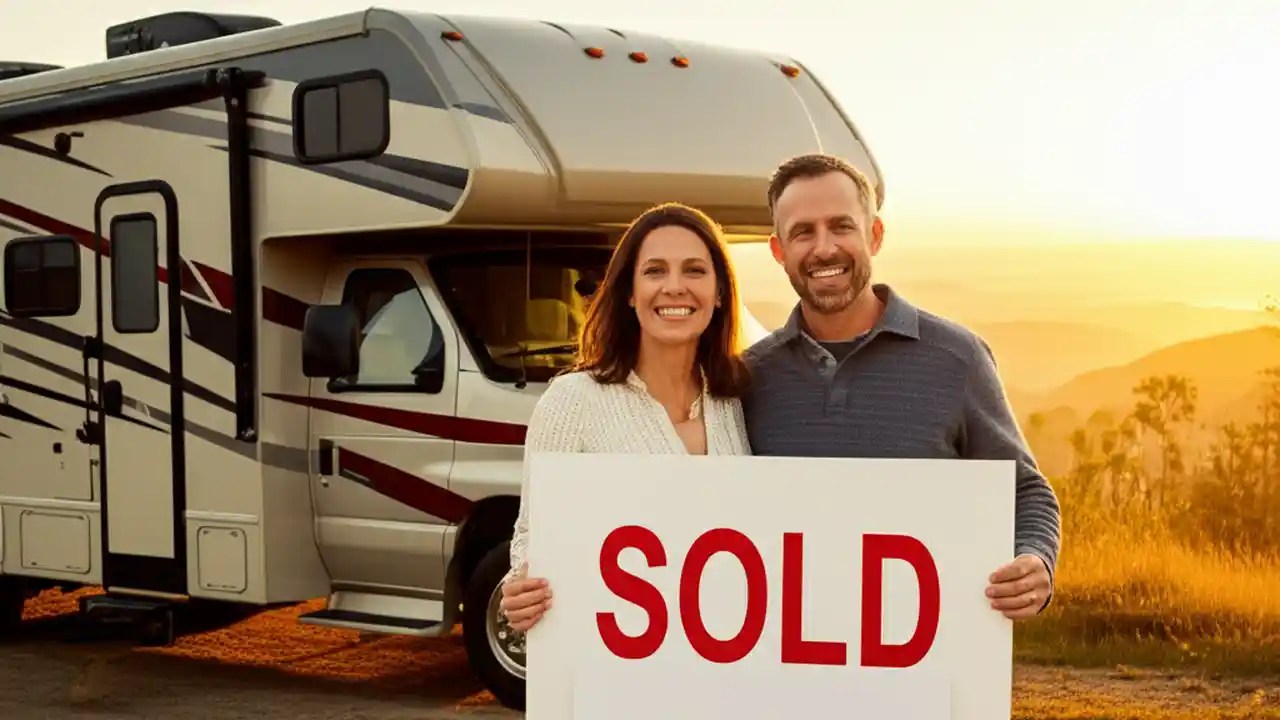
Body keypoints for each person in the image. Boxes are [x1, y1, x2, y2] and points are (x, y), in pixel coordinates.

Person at [742, 153, 1062, 619]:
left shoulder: (957, 358)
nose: (823, 248)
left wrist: (1035, 561)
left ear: (874, 235)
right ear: (779, 251)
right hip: (788, 665)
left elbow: (1024, 491)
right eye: (803, 232)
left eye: (841, 226)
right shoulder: (750, 377)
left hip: (924, 668)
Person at [498, 201, 754, 633]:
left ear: (721, 292)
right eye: (655, 271)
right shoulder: (573, 401)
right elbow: (533, 539)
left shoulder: (734, 402)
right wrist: (519, 592)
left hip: (722, 661)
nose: (675, 287)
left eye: (694, 270)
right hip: (621, 668)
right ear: (630, 293)